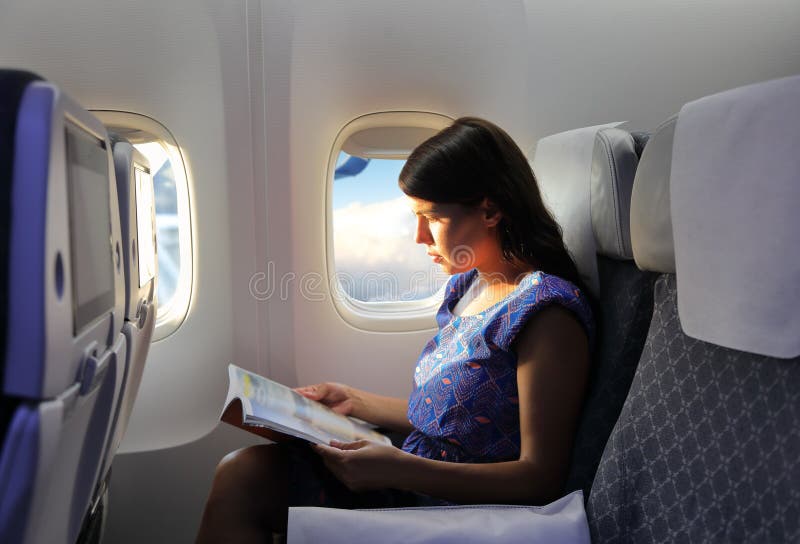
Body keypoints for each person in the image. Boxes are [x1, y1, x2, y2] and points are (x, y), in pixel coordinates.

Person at [196, 117, 593, 543]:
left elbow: (539, 478)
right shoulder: (469, 285)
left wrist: (396, 467)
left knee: (244, 482)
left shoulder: (546, 315)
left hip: (454, 506)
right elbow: (452, 419)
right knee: (243, 471)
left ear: (491, 210)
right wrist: (354, 400)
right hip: (409, 472)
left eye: (432, 218)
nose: (419, 236)